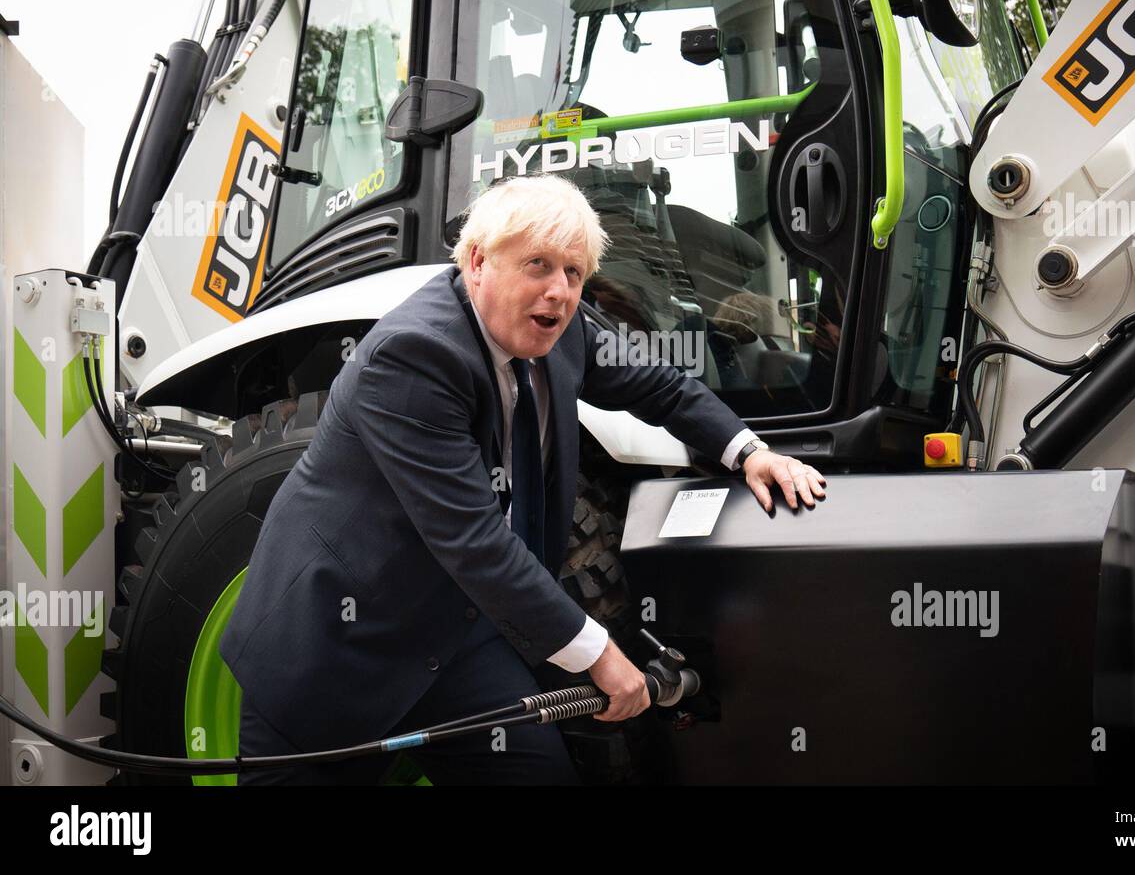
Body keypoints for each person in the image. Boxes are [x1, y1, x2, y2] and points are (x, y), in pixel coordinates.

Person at [219, 174, 827, 784]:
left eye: (573, 272)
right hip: (339, 651)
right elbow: (475, 542)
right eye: (538, 265)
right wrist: (601, 656)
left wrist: (749, 453)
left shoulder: (564, 330)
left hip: (453, 638)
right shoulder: (413, 357)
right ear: (478, 261)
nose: (560, 291)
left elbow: (658, 385)